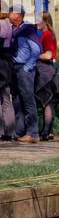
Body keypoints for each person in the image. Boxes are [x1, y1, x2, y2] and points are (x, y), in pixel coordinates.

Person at [8, 4, 42, 143]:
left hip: (24, 68)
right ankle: (20, 131)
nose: (9, 14)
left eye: (11, 12)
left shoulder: (27, 29)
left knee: (28, 100)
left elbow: (36, 50)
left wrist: (28, 67)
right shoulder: (12, 30)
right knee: (17, 100)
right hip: (14, 67)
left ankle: (33, 133)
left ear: (19, 15)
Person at [36, 11, 58, 140]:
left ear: (45, 22)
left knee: (46, 103)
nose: (36, 22)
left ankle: (44, 132)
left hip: (45, 73)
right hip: (49, 71)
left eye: (38, 20)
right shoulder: (50, 34)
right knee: (48, 103)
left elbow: (49, 55)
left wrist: (34, 56)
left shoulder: (47, 35)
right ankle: (48, 131)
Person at [0, 10, 16, 141]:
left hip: (1, 62)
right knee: (6, 98)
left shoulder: (1, 25)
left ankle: (1, 131)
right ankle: (10, 131)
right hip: (7, 63)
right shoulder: (8, 25)